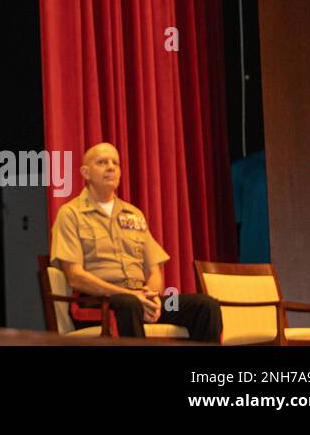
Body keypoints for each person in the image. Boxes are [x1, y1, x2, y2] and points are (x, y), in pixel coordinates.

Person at [50, 142, 223, 341]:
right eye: (102, 162)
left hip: (139, 298)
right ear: (85, 172)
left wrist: (152, 297)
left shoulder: (133, 214)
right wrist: (130, 295)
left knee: (205, 306)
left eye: (115, 163)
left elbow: (154, 270)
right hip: (98, 302)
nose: (111, 167)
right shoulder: (71, 214)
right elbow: (75, 276)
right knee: (128, 304)